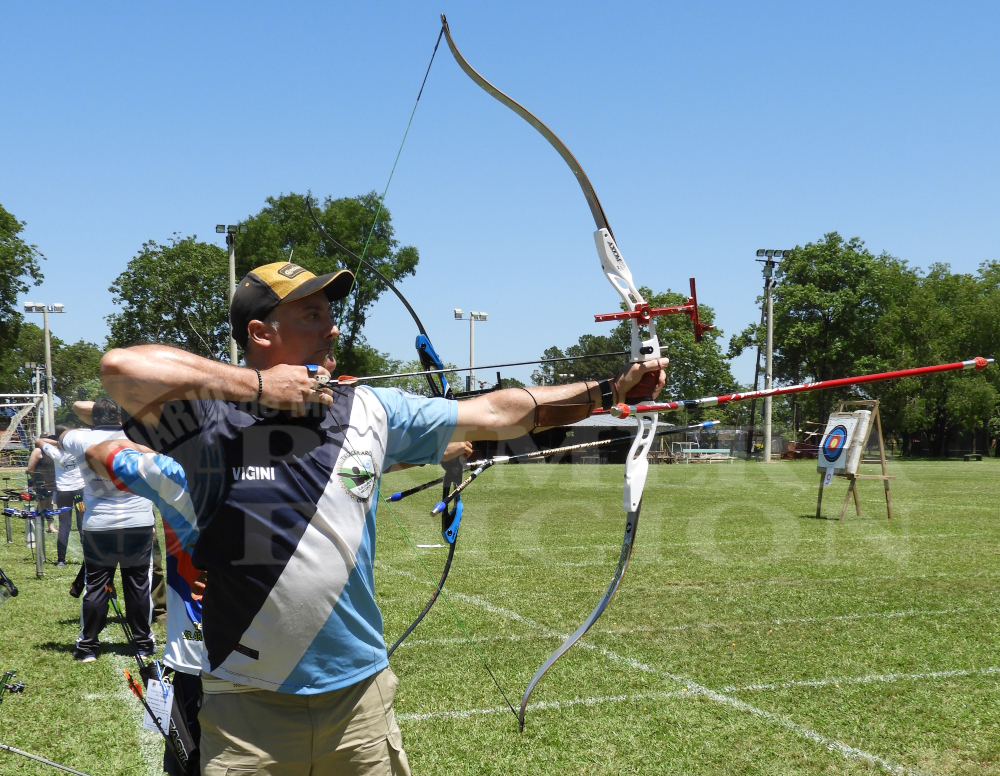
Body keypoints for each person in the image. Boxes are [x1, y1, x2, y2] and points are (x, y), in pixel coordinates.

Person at [100, 260, 667, 775]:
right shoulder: (204, 417)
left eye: (331, 314)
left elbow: (496, 411)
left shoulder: (368, 407)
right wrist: (256, 386)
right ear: (261, 332)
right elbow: (120, 366)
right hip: (248, 707)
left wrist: (606, 391)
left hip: (360, 702)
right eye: (313, 314)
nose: (334, 328)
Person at [84, 438, 205, 776]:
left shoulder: (176, 473)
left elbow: (97, 452)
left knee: (188, 762)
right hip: (259, 658)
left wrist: (154, 448)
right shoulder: (282, 472)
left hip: (194, 658)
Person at [59, 397, 156, 663]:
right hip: (137, 521)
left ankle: (88, 647)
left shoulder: (79, 438)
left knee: (97, 585)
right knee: (137, 585)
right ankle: (143, 644)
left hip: (99, 523)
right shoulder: (138, 438)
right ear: (121, 418)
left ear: (93, 418)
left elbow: (65, 430)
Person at [36, 425, 85, 566]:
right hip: (79, 493)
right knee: (82, 522)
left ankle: (61, 560)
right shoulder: (78, 449)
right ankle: (87, 559)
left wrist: (56, 443)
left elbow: (39, 441)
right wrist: (63, 441)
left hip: (64, 493)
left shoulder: (54, 451)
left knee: (65, 525)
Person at [25, 438, 57, 533]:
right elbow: (30, 468)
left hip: (51, 480)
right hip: (41, 480)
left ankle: (51, 526)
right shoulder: (38, 450)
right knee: (42, 503)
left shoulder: (52, 451)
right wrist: (35, 480)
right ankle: (38, 525)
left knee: (50, 504)